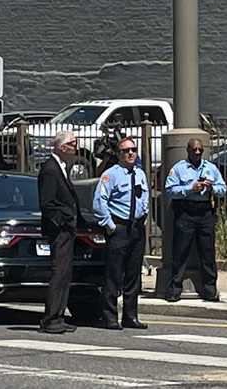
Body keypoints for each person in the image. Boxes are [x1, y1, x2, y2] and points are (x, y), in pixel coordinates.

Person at [91, 136, 149, 330]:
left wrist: (144, 216)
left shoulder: (140, 173)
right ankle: (110, 316)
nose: (130, 153)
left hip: (136, 228)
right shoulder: (111, 174)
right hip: (119, 228)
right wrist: (110, 225)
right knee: (114, 274)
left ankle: (130, 316)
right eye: (125, 150)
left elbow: (145, 196)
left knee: (134, 275)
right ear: (118, 154)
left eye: (133, 149)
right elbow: (100, 202)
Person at [164, 138, 227, 302]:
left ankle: (209, 288)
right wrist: (190, 188)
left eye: (200, 150)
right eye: (194, 150)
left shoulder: (210, 168)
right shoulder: (179, 168)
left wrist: (211, 187)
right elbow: (170, 190)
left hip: (205, 212)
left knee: (207, 252)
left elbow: (223, 189)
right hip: (185, 211)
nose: (197, 152)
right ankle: (174, 288)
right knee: (180, 251)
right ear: (188, 150)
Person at [37, 131, 81, 334]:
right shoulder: (50, 170)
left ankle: (59, 315)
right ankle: (50, 318)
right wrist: (63, 221)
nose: (75, 147)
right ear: (62, 147)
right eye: (72, 144)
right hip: (59, 230)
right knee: (58, 272)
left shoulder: (62, 167)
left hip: (67, 229)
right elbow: (47, 203)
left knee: (65, 273)